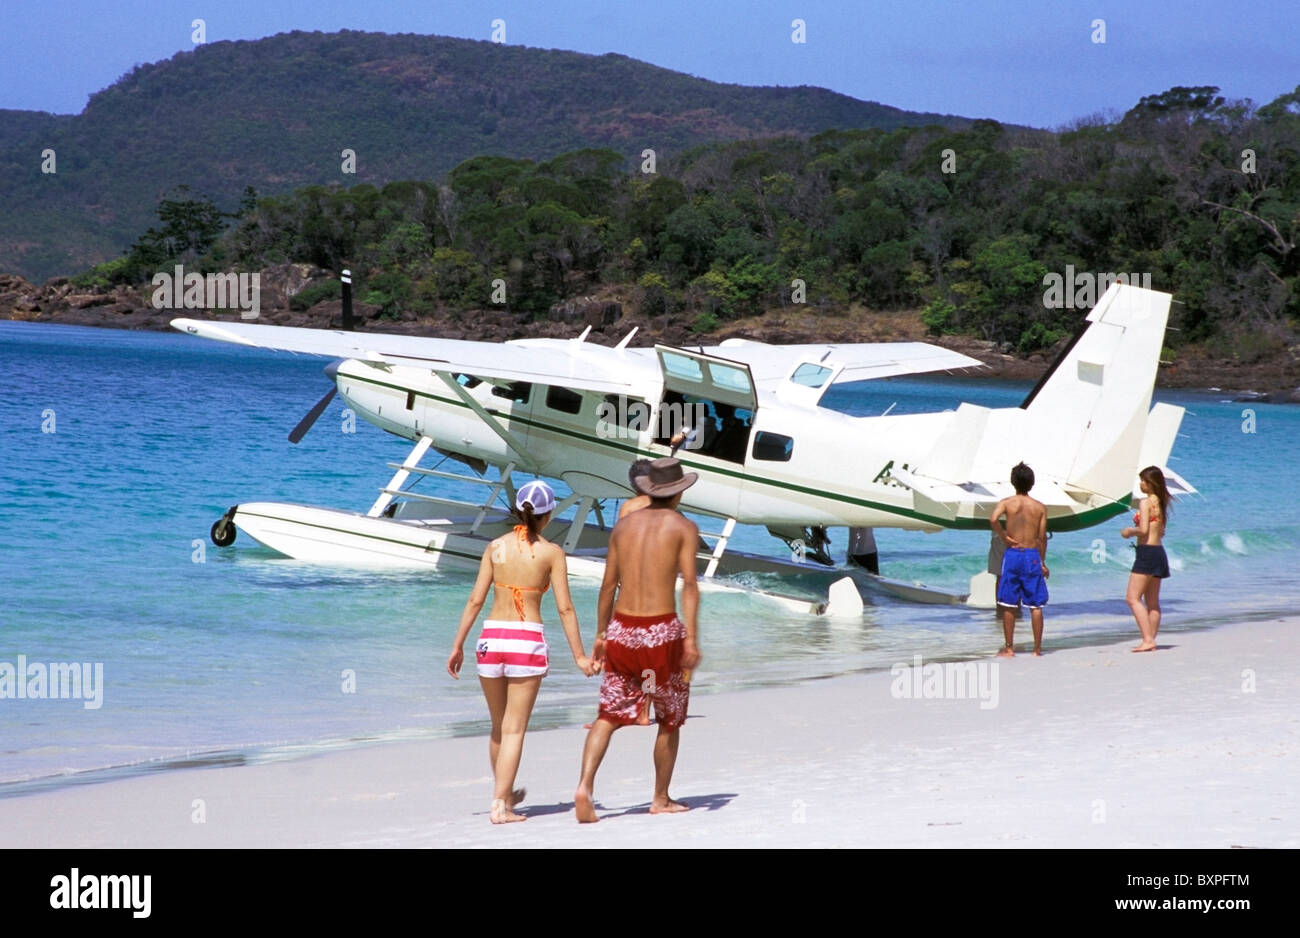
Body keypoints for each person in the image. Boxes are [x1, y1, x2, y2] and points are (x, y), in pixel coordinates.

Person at [447, 480, 597, 823]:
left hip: (490, 638)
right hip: (524, 639)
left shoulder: (494, 547)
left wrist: (457, 645)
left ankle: (504, 794)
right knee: (514, 729)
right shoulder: (552, 553)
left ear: (519, 511)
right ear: (547, 515)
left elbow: (475, 600)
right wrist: (579, 657)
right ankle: (500, 805)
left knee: (499, 727)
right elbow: (566, 609)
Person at [575, 458, 702, 823]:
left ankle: (585, 785)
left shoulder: (624, 527)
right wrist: (691, 638)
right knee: (670, 717)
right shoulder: (683, 527)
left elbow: (607, 586)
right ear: (678, 492)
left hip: (623, 630)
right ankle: (660, 798)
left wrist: (601, 633)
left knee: (608, 715)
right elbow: (690, 585)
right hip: (661, 632)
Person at [988, 462, 1049, 656]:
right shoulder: (1039, 507)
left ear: (1013, 482)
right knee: (1036, 604)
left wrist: (1004, 537)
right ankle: (1037, 649)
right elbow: (1041, 537)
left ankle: (1009, 648)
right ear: (1032, 483)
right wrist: (1043, 562)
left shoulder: (1007, 503)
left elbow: (993, 519)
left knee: (1008, 603)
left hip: (1013, 554)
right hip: (1031, 555)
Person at [1120, 466, 1172, 652]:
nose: (1141, 484)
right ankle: (1151, 639)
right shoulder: (1161, 501)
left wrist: (1128, 532)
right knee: (1153, 602)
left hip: (1147, 553)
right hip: (1159, 552)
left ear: (1152, 483)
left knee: (1132, 598)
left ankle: (1148, 639)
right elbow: (1162, 531)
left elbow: (1143, 530)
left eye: (1143, 480)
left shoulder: (1145, 502)